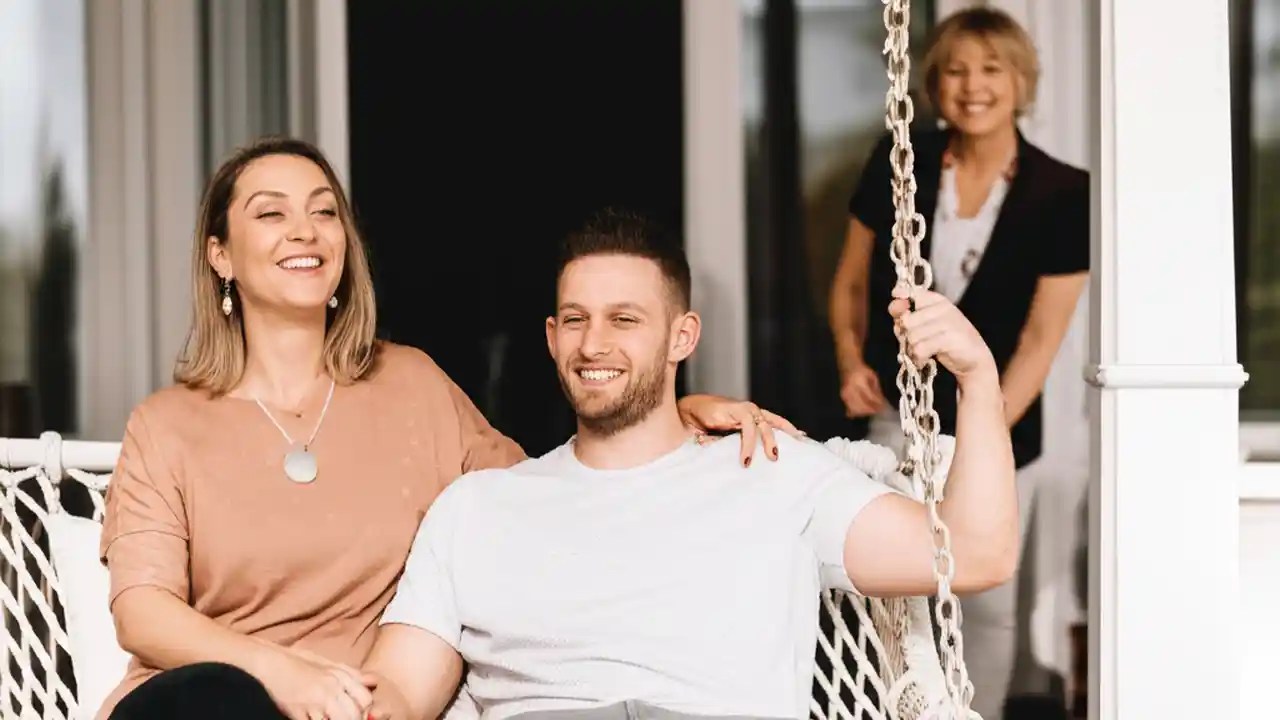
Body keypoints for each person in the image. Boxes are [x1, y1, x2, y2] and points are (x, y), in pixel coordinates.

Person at [98, 138, 797, 720]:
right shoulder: (167, 425)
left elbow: (550, 493)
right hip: (205, 703)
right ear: (220, 255)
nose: (305, 230)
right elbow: (143, 612)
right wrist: (282, 675)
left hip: (365, 709)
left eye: (324, 211)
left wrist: (668, 413)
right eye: (271, 212)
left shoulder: (411, 387)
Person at [359, 208, 1018, 720]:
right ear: (552, 338)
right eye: (576, 320)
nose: (594, 344)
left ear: (683, 336)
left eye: (624, 320)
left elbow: (975, 554)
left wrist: (977, 378)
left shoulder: (771, 470)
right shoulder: (478, 508)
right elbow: (397, 694)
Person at [827, 8, 1089, 718]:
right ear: (934, 83)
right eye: (955, 70)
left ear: (1022, 81)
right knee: (895, 597)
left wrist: (981, 436)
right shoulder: (898, 161)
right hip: (897, 416)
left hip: (1001, 429)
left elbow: (1039, 342)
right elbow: (850, 282)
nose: (973, 86)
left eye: (991, 69)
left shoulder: (1066, 193)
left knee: (989, 609)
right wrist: (850, 358)